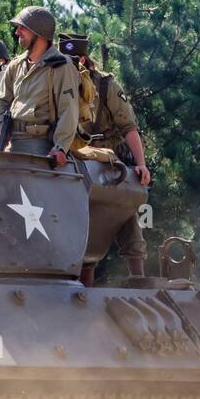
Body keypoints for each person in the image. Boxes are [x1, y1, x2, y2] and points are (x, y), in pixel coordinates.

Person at [67, 35, 152, 281]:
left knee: (126, 213)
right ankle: (82, 290)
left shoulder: (105, 86)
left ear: (82, 59)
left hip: (107, 162)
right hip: (74, 159)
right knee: (82, 227)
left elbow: (129, 127)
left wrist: (141, 164)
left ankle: (138, 280)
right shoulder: (58, 82)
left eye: (73, 60)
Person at [0, 6, 80, 161]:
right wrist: (0, 129)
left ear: (39, 32)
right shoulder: (16, 64)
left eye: (22, 27)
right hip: (12, 141)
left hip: (40, 144)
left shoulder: (61, 66)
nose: (17, 32)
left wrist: (60, 148)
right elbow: (2, 100)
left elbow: (68, 111)